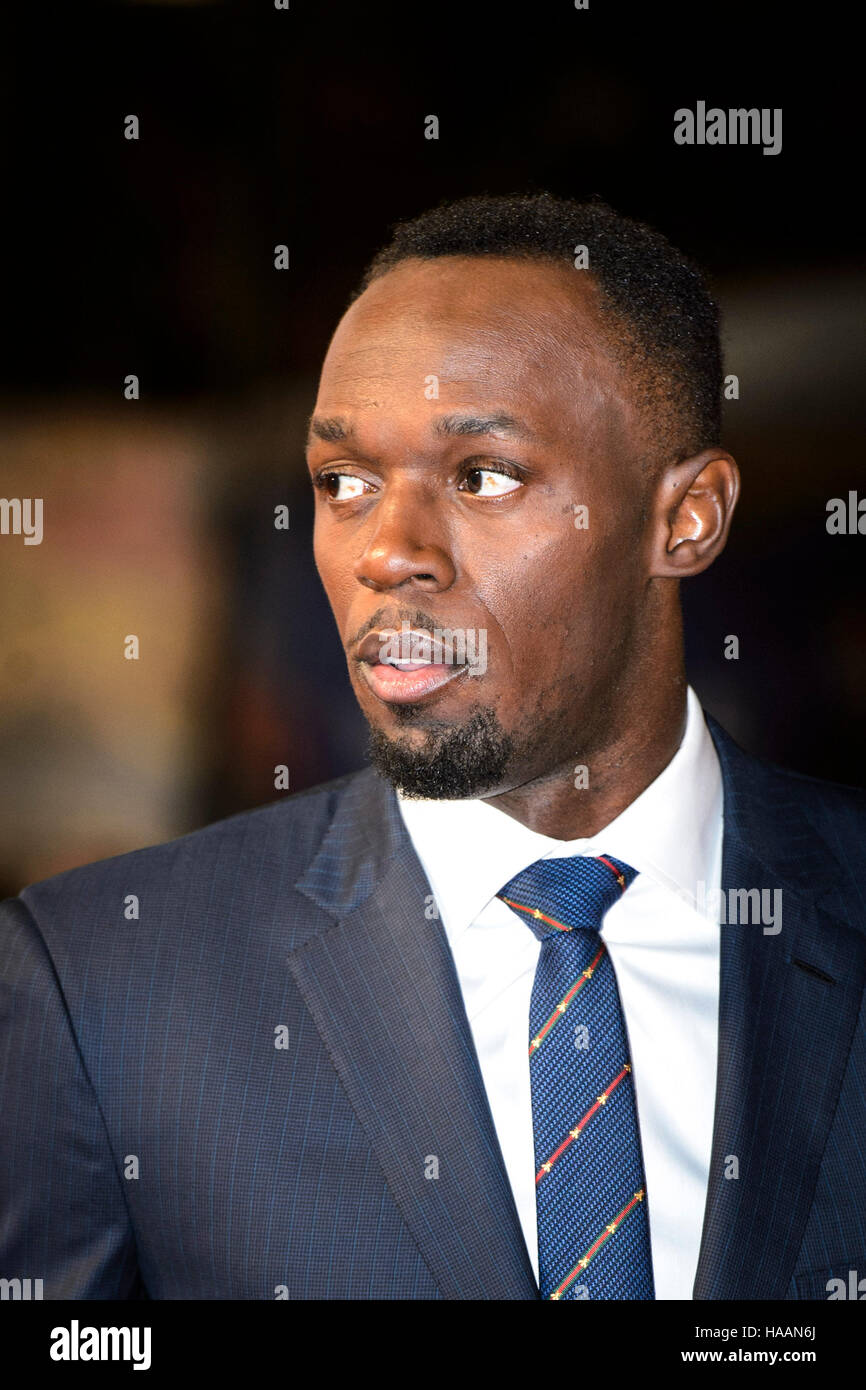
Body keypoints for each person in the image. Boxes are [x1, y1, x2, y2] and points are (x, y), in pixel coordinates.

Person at [2, 193, 864, 1301]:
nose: (386, 551)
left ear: (685, 516)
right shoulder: (98, 987)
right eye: (343, 484)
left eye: (482, 476)